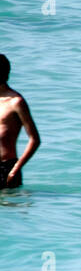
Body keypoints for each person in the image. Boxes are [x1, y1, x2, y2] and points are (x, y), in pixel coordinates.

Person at [0, 55, 40, 190]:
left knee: (8, 208)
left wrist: (15, 169)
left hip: (6, 167)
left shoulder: (16, 102)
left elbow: (34, 140)